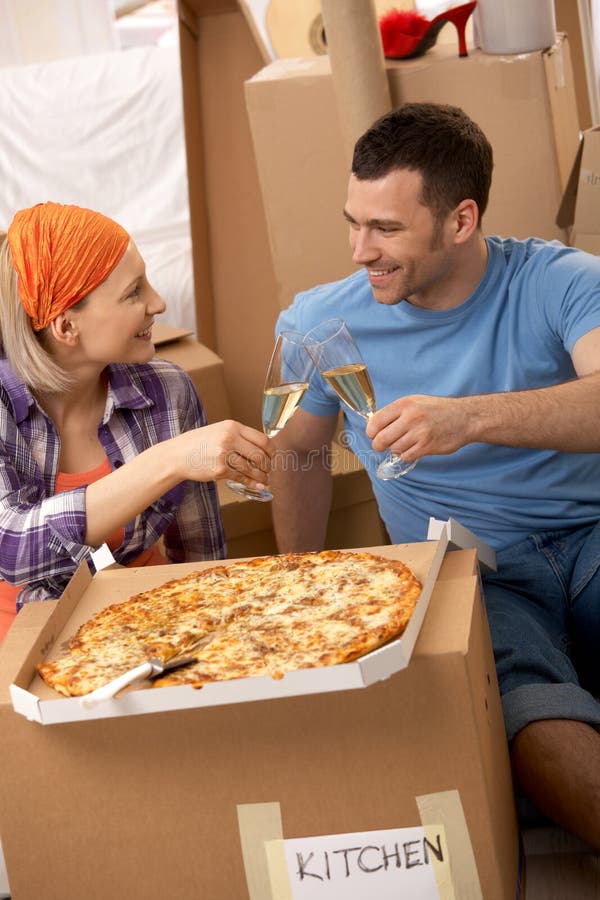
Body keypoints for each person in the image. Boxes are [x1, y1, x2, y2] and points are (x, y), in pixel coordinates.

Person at [271, 102, 600, 848]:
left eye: (385, 229)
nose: (360, 250)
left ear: (461, 220)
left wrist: (467, 418)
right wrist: (298, 582)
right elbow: (299, 455)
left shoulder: (560, 281)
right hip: (472, 571)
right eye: (352, 222)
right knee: (519, 708)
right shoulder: (321, 324)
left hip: (591, 536)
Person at [0, 201, 271, 643]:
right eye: (134, 292)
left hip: (159, 629)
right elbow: (11, 546)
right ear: (66, 325)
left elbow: (200, 556)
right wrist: (169, 460)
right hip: (25, 643)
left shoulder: (168, 390)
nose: (158, 303)